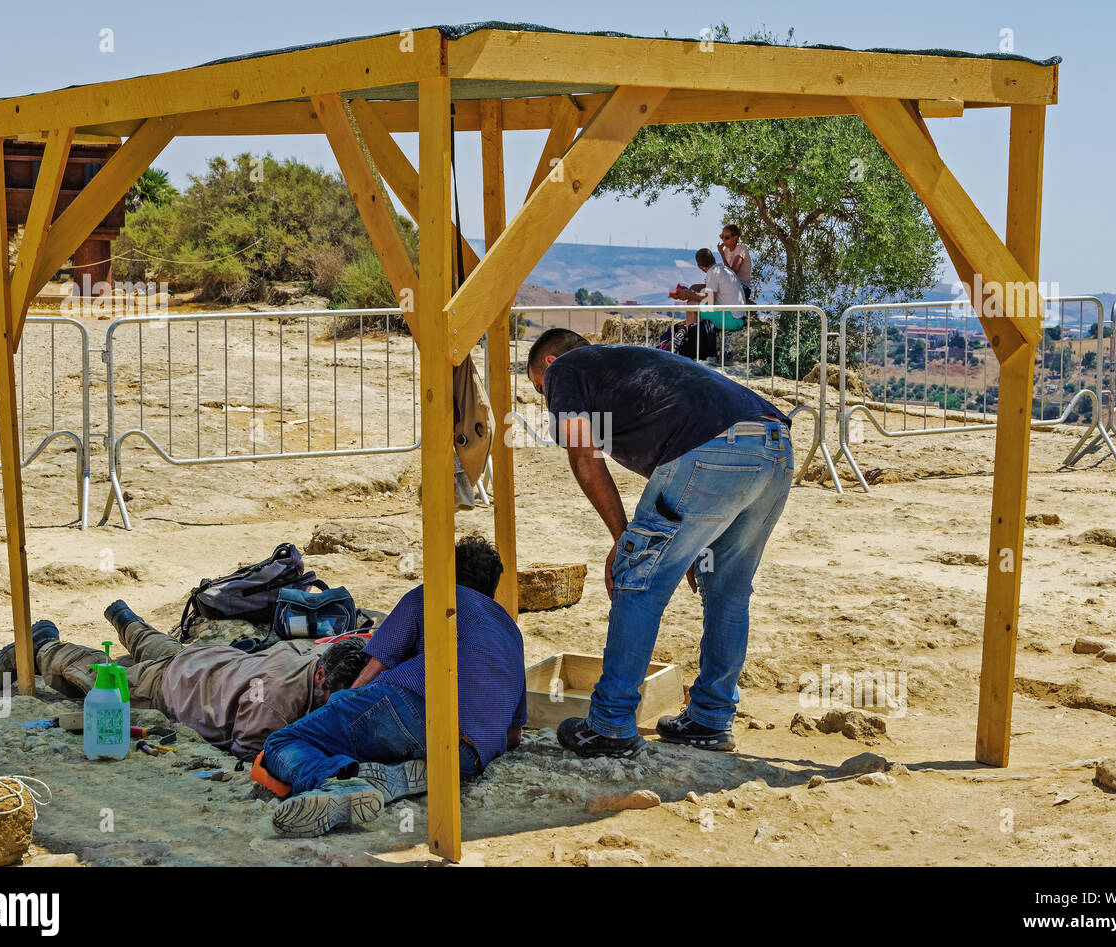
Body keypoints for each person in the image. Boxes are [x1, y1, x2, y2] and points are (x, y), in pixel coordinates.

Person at [527, 328, 794, 758]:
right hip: (774, 447)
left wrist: (624, 540)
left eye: (541, 390)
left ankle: (611, 723)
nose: (547, 403)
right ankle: (711, 718)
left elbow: (583, 458)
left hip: (715, 450)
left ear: (550, 367)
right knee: (727, 592)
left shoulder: (569, 369)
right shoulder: (630, 368)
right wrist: (682, 542)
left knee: (636, 580)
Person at [262, 535, 526, 837]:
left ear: (447, 572)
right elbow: (513, 735)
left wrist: (341, 703)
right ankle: (388, 777)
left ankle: (337, 783)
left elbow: (378, 665)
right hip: (467, 756)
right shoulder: (512, 632)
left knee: (283, 742)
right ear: (492, 588)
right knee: (392, 743)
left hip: (410, 705)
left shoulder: (432, 594)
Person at [0, 606, 366, 758]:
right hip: (175, 687)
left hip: (210, 661)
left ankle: (125, 618)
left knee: (164, 649)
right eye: (334, 697)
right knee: (101, 677)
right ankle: (43, 645)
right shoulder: (276, 703)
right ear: (321, 675)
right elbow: (249, 752)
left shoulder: (317, 654)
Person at [717, 223, 754, 302]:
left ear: (735, 238)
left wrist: (722, 255)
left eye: (727, 237)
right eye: (722, 236)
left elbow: (732, 273)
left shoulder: (741, 249)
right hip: (731, 286)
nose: (723, 240)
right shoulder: (726, 251)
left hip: (742, 288)